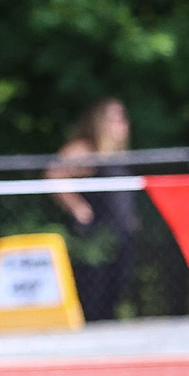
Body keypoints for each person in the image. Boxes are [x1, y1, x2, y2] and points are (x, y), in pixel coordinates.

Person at [47, 97, 139, 321]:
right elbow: (54, 174)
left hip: (121, 235)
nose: (122, 124)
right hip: (95, 237)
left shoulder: (118, 156)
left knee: (118, 289)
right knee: (94, 292)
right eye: (114, 119)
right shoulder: (86, 150)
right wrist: (77, 206)